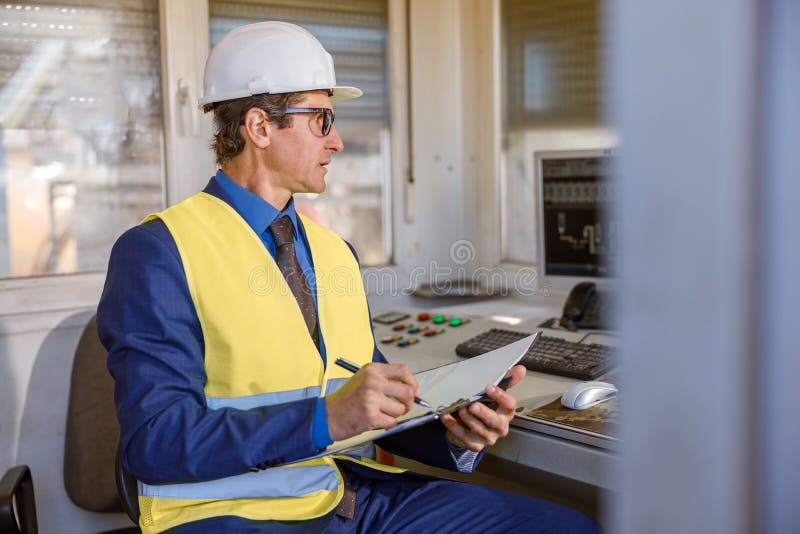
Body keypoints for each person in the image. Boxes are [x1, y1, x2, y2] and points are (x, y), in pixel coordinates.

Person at [98, 21, 600, 534]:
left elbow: (367, 404)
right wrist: (327, 418)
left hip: (347, 498)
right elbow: (155, 442)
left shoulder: (334, 253)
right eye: (321, 119)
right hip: (234, 516)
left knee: (569, 527)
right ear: (259, 127)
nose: (337, 141)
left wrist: (453, 431)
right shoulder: (159, 251)